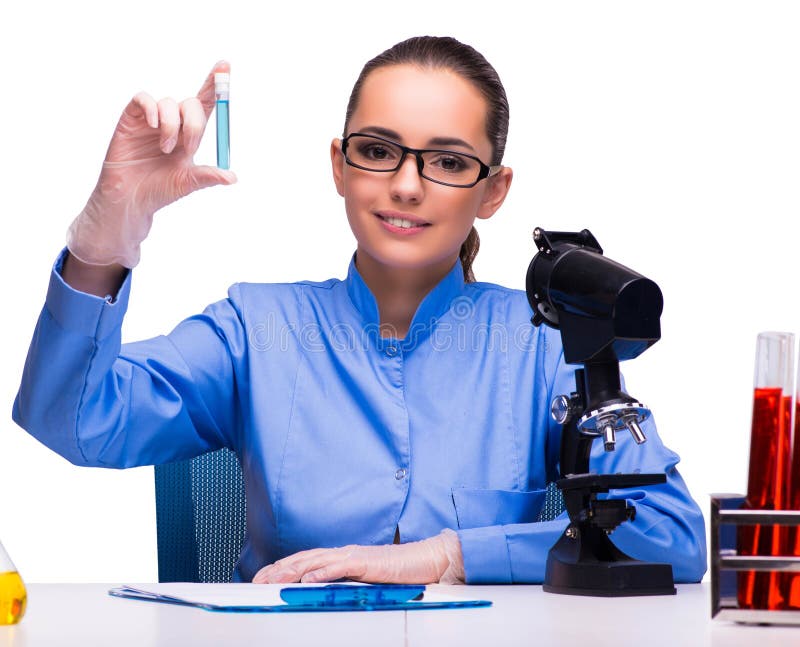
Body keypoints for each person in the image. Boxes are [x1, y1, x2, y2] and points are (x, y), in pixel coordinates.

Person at [12, 36, 706, 585]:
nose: (406, 185)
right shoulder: (254, 330)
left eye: (448, 162)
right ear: (340, 166)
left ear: (493, 191)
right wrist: (106, 237)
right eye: (377, 151)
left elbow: (671, 534)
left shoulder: (541, 345)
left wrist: (449, 554)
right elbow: (73, 422)